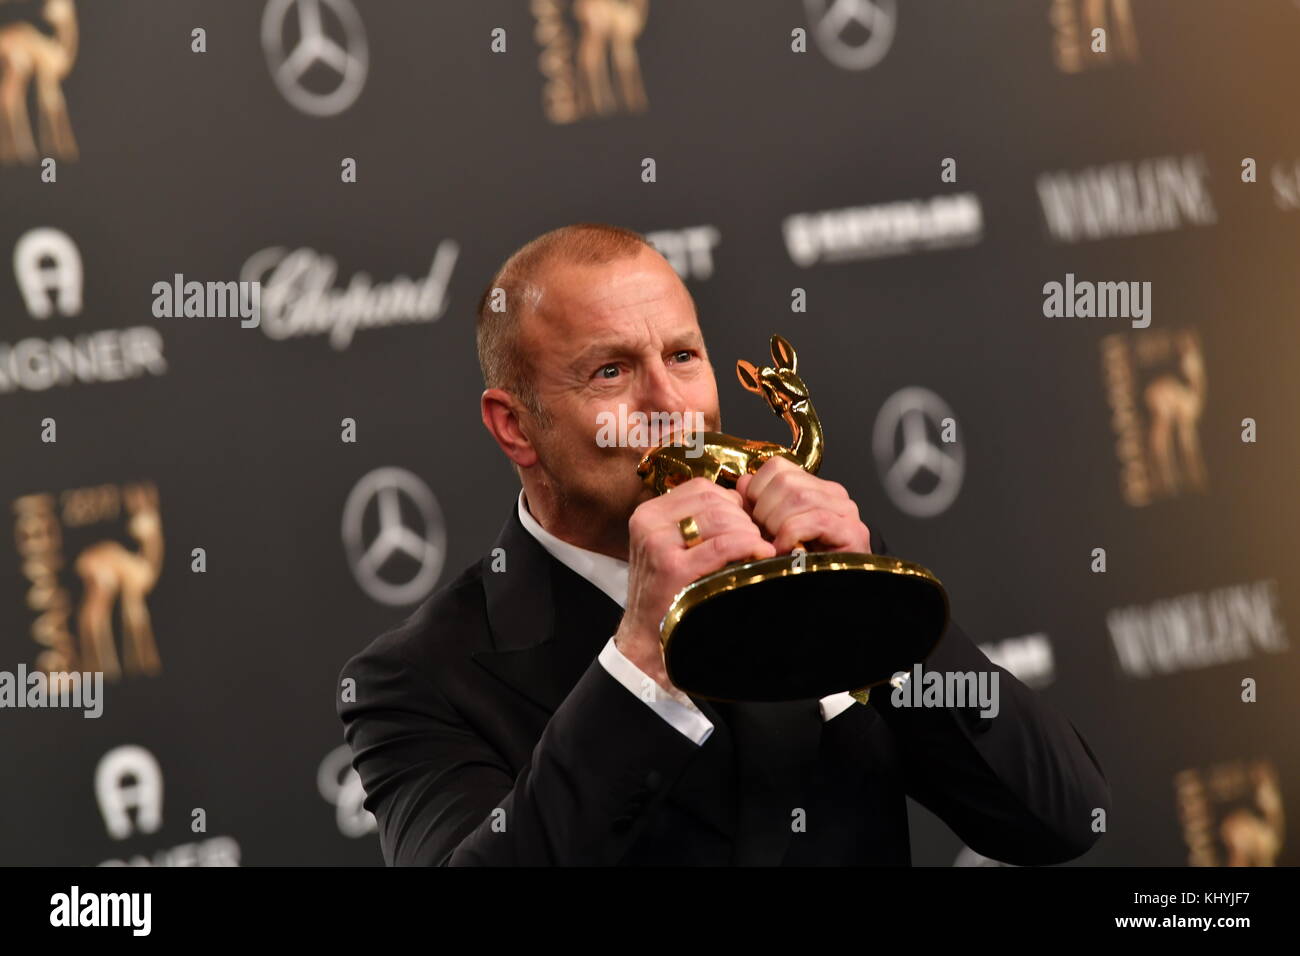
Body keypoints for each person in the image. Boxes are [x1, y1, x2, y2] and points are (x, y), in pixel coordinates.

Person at [337, 222, 1111, 866]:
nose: (669, 405)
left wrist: (881, 606)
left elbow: (1062, 818)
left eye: (682, 357)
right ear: (515, 426)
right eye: (610, 371)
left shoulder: (810, 565)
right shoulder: (418, 679)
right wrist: (642, 657)